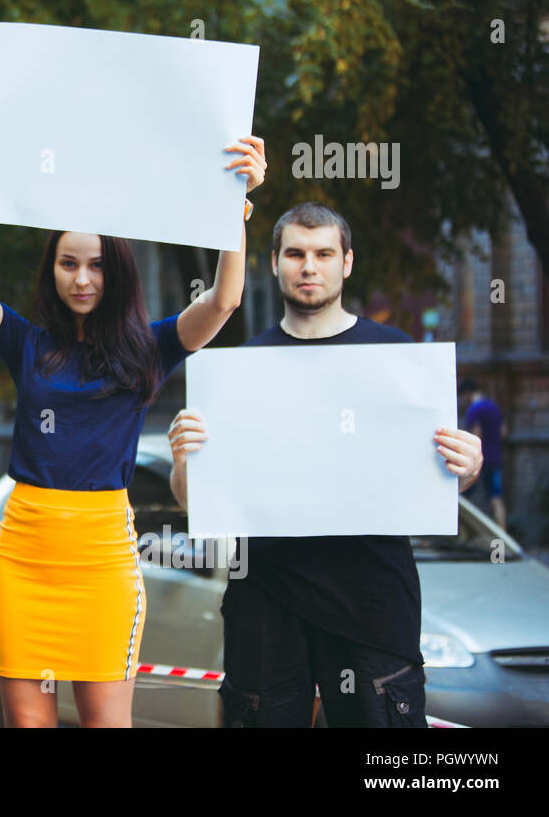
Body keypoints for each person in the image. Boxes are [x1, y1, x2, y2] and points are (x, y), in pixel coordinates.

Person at [0, 107, 266, 727]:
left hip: (104, 559)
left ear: (116, 272)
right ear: (52, 270)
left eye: (95, 265)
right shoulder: (27, 342)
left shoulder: (151, 345)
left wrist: (234, 214)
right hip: (23, 555)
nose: (82, 278)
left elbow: (225, 300)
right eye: (69, 263)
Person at [167, 201, 484, 727]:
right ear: (273, 263)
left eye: (322, 254)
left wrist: (466, 464)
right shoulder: (236, 371)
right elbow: (196, 501)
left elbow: (443, 483)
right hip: (266, 603)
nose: (308, 266)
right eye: (294, 253)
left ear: (347, 262)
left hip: (373, 606)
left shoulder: (399, 359)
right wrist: (183, 462)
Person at [460, 378, 506, 529]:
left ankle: (458, 535)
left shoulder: (474, 410)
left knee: (462, 497)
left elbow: (476, 434)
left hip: (478, 461)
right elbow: (503, 432)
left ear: (467, 394)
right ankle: (502, 539)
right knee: (496, 499)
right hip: (495, 458)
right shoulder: (493, 407)